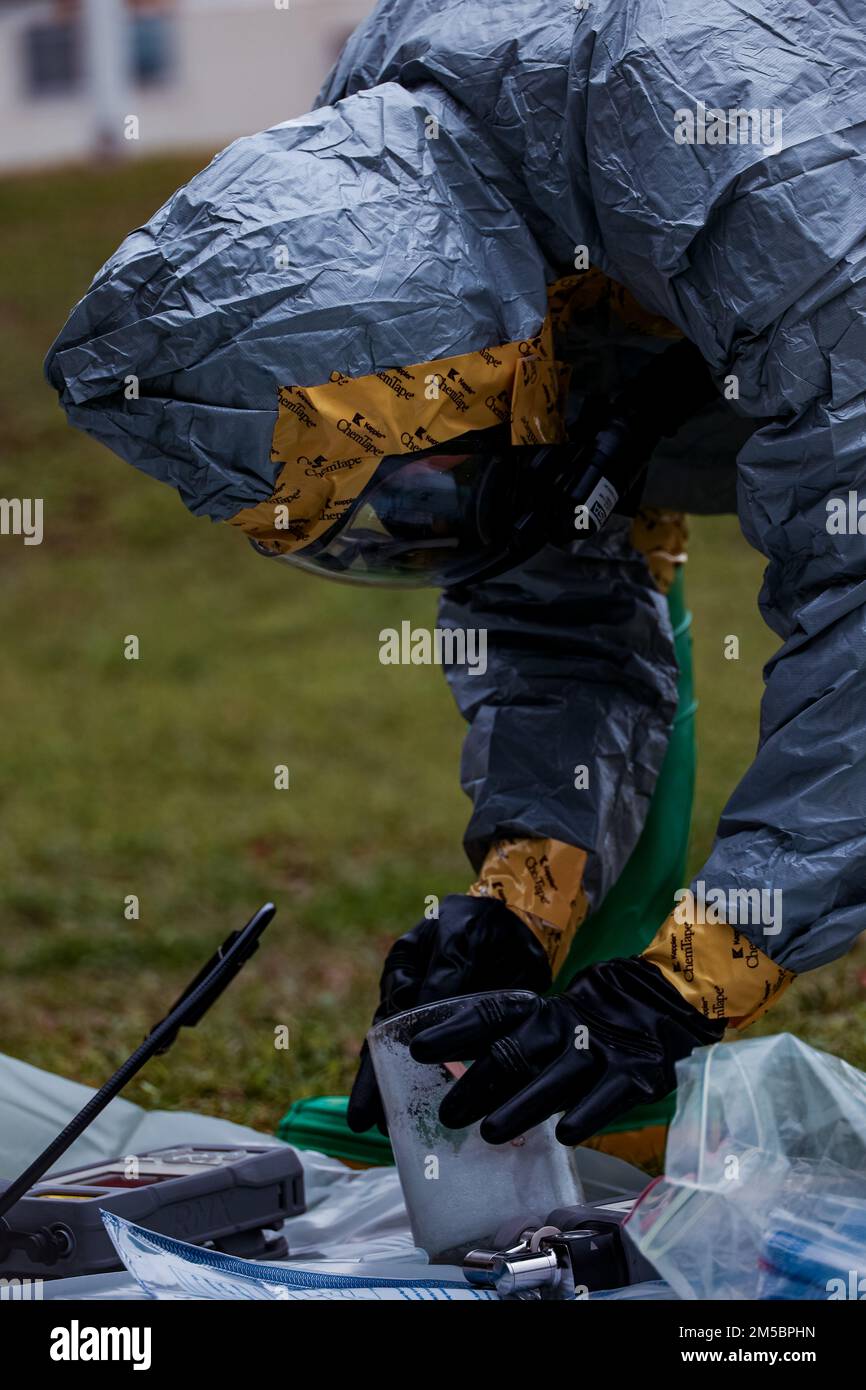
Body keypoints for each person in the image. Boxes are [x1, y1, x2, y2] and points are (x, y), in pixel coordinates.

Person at [46, 2, 866, 1148]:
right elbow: (550, 574)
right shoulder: (390, 179)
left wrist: (690, 981)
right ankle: (601, 1073)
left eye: (421, 480)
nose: (433, 522)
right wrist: (520, 898)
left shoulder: (734, 138)